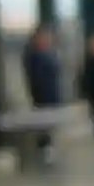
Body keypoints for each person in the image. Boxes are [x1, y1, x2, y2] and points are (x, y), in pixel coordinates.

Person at [22, 26, 62, 162]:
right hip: (40, 96)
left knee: (48, 124)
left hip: (51, 95)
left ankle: (47, 145)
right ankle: (44, 146)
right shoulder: (34, 56)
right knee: (42, 123)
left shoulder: (51, 54)